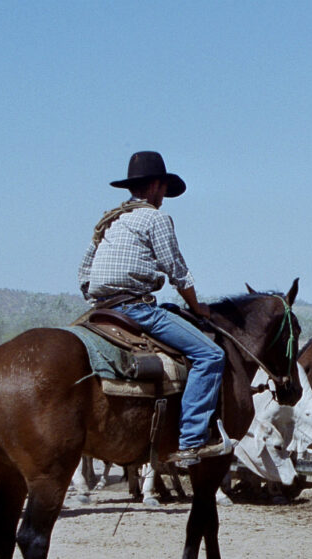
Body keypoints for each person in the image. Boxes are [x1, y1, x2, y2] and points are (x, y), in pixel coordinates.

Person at [78, 151, 230, 467]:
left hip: (99, 310)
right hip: (136, 309)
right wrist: (197, 307)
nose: (163, 198)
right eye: (163, 191)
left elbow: (84, 273)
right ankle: (190, 442)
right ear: (156, 187)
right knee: (211, 356)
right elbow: (176, 269)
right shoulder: (155, 218)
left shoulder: (109, 219)